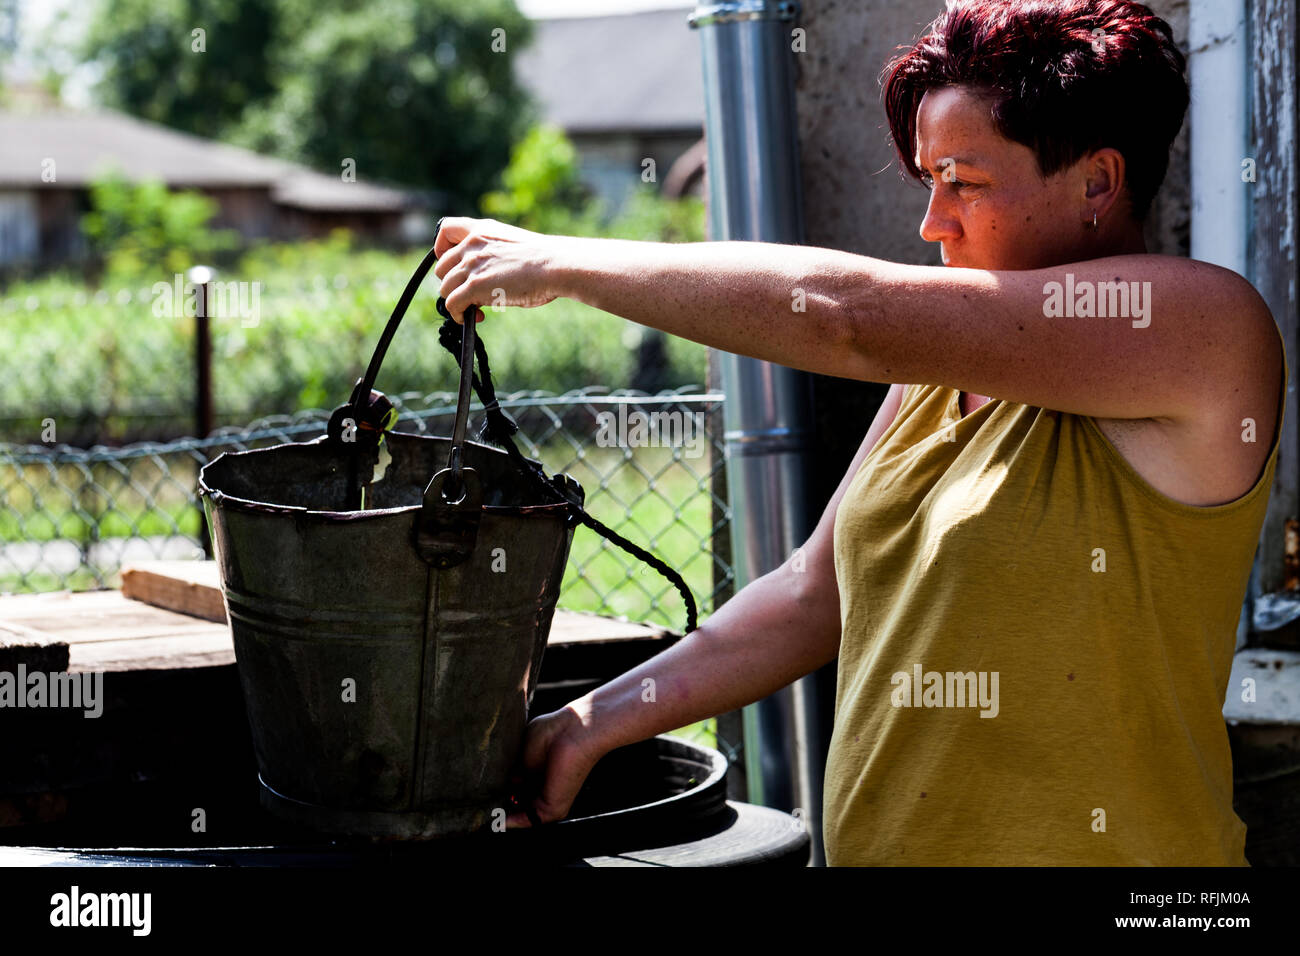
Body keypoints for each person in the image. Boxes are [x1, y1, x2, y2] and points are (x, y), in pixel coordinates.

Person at [431, 0, 1285, 865]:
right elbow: (811, 595)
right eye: (928, 181)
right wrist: (590, 723)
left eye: (966, 183)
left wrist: (565, 263)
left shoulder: (1203, 329)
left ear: (1098, 182)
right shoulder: (939, 376)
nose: (932, 222)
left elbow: (849, 319)